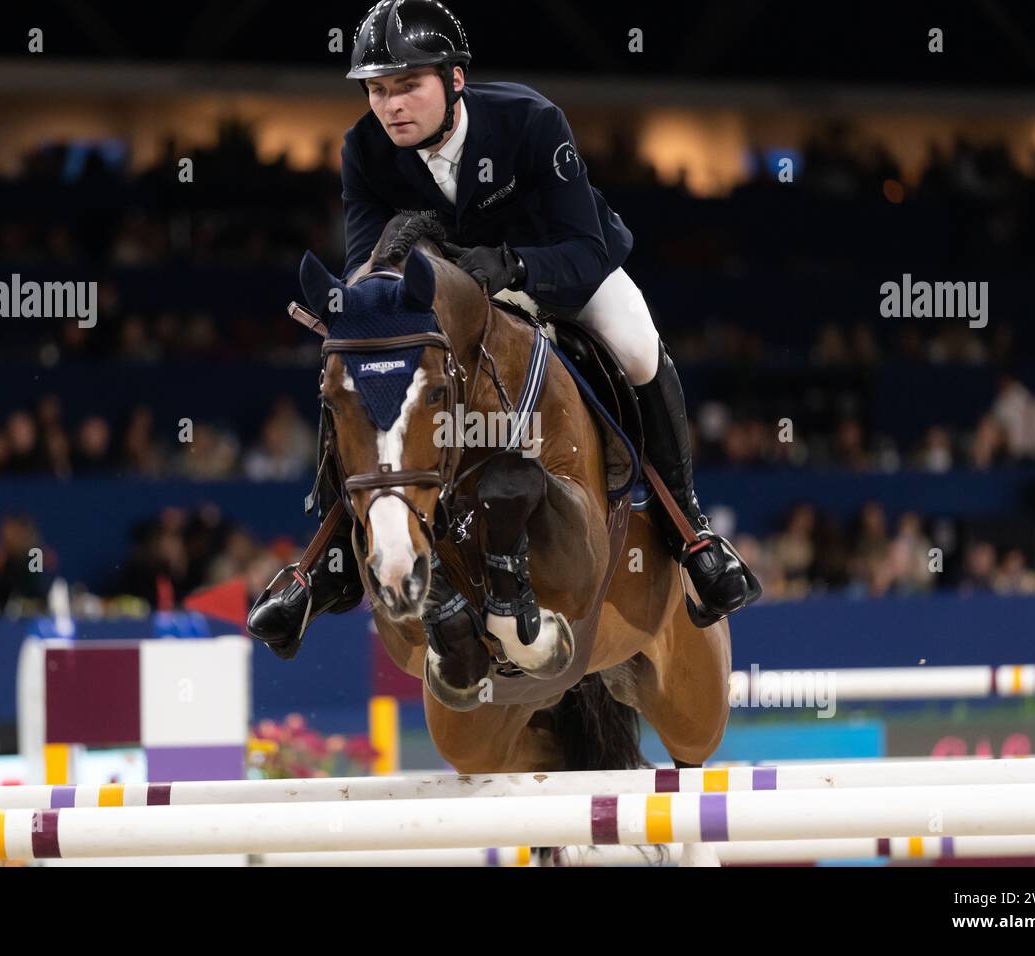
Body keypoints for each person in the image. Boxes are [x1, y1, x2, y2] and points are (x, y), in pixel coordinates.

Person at [249, 0, 759, 654]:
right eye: (378, 89)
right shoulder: (365, 150)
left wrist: (515, 265)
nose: (391, 105)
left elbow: (587, 247)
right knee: (355, 369)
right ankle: (325, 560)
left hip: (559, 274)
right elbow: (370, 265)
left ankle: (691, 531)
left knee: (635, 345)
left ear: (455, 79)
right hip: (452, 304)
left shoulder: (531, 122)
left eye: (408, 86)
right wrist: (354, 312)